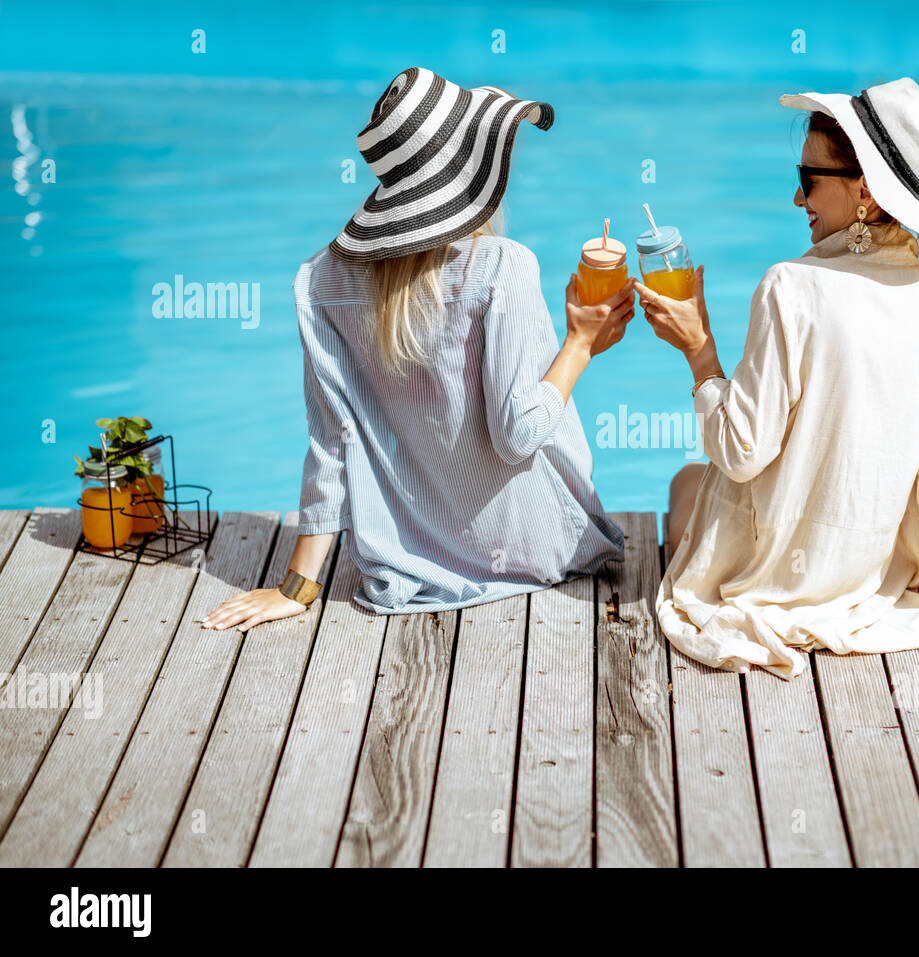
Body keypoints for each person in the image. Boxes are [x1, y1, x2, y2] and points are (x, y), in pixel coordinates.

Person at [636, 77, 919, 680]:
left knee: (685, 481)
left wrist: (698, 350)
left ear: (866, 192)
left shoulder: (789, 287)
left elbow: (741, 454)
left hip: (776, 573)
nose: (798, 200)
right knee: (694, 480)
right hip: (870, 570)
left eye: (807, 179)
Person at [203, 68, 629, 632]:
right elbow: (519, 437)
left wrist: (298, 587)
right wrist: (581, 344)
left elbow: (333, 441)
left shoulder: (318, 282)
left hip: (405, 565)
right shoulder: (503, 266)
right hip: (530, 546)